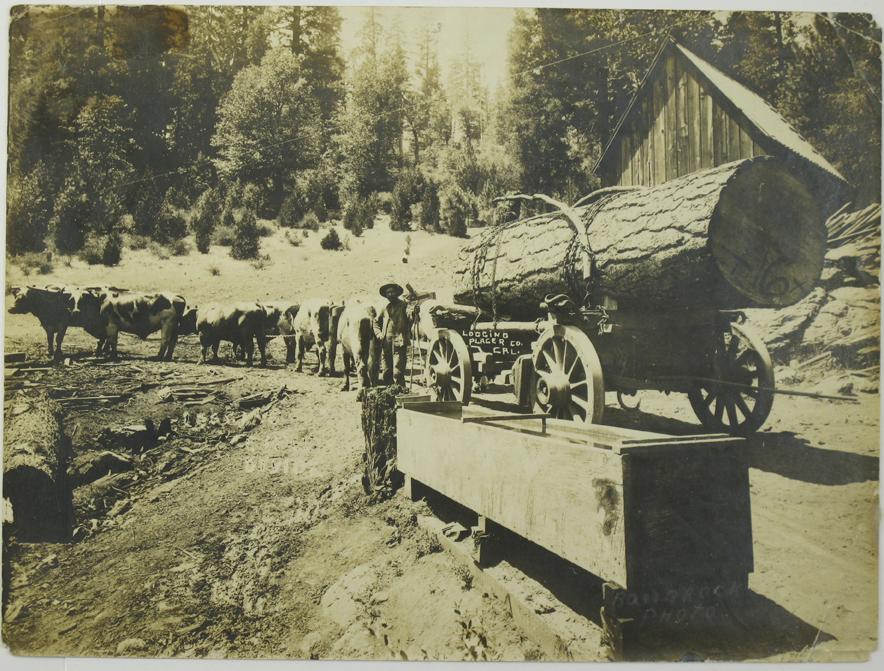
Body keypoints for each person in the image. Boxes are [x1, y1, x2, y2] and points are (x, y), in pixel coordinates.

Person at [374, 282, 410, 387]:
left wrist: (414, 312)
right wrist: (379, 334)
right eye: (388, 293)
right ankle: (389, 395)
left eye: (392, 292)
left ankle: (401, 393)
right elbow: (375, 322)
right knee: (386, 372)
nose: (390, 294)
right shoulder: (385, 308)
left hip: (399, 342)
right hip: (386, 344)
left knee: (398, 372)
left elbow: (410, 315)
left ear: (397, 293)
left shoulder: (404, 305)